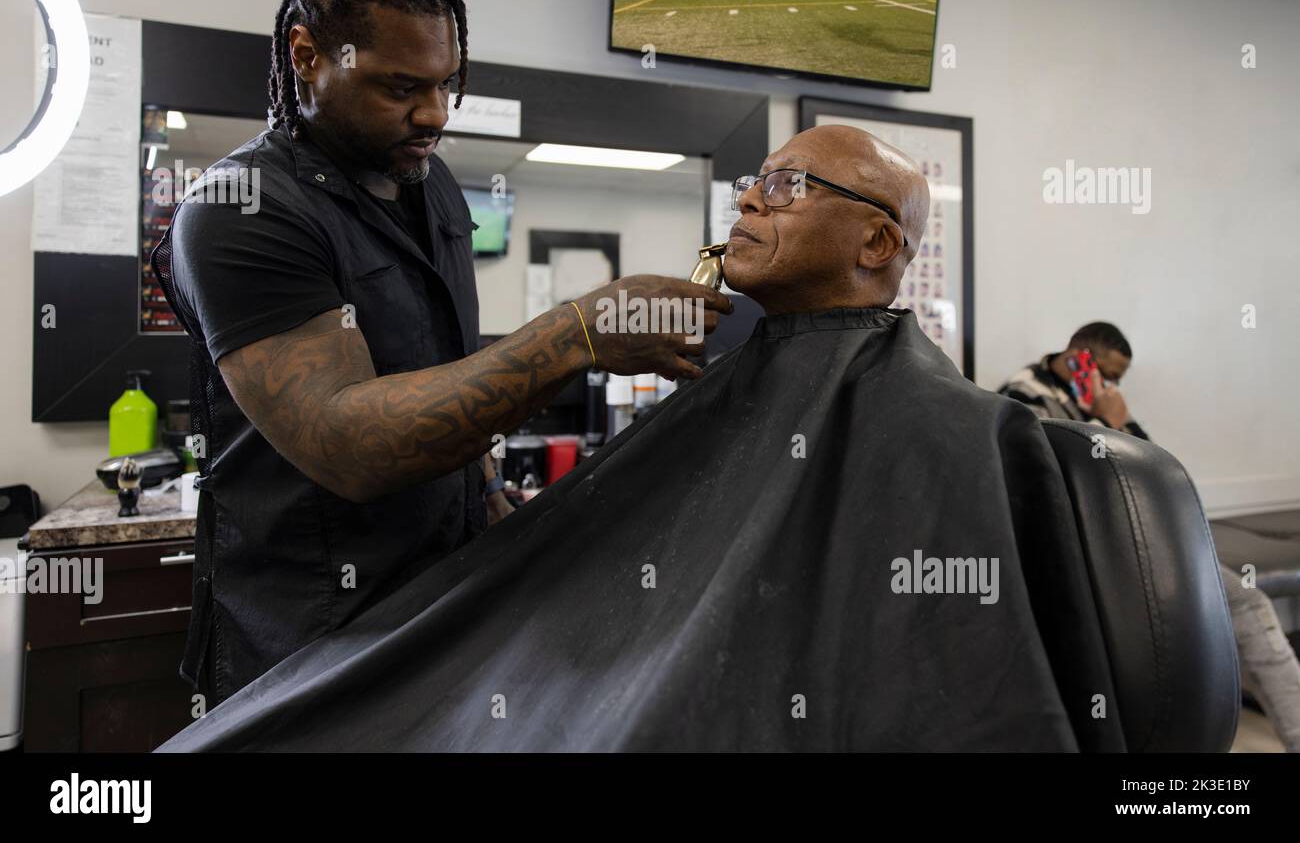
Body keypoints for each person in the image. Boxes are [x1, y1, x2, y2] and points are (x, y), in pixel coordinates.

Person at [160, 126, 1122, 752]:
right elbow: (345, 435)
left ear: (878, 244)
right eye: (753, 180)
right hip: (327, 616)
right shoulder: (240, 205)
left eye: (787, 185)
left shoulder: (957, 430)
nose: (749, 200)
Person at [150, 0, 729, 707]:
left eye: (446, 82)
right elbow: (343, 437)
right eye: (399, 88)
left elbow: (442, 367)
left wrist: (492, 497)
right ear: (307, 53)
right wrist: (577, 333)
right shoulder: (240, 209)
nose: (434, 114)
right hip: (309, 653)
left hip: (441, 616)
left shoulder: (432, 186)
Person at [996, 322, 1149, 439]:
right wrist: (1105, 423)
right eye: (1108, 376)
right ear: (1079, 360)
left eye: (1116, 380)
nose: (1111, 386)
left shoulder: (1098, 398)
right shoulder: (1025, 392)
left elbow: (1147, 456)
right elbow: (1045, 463)